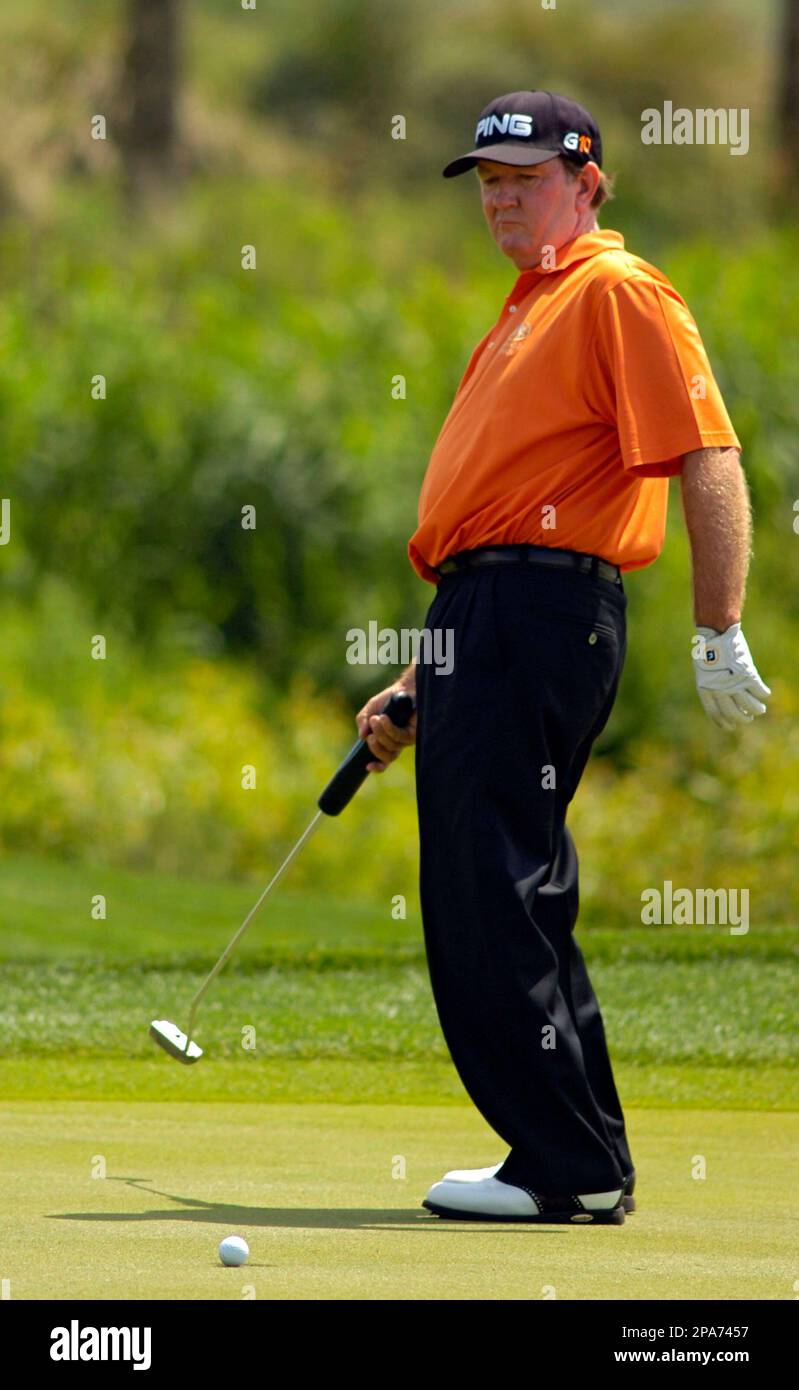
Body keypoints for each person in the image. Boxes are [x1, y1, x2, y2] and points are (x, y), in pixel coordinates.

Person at [356, 90, 771, 1225]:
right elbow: (484, 516)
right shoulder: (527, 307)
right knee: (493, 887)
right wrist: (416, 679)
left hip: (540, 616)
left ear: (587, 183)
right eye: (488, 182)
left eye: (524, 179)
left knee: (497, 889)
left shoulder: (615, 291)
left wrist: (717, 619)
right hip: (485, 618)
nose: (500, 198)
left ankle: (566, 1164)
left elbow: (705, 453)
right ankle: (569, 1151)